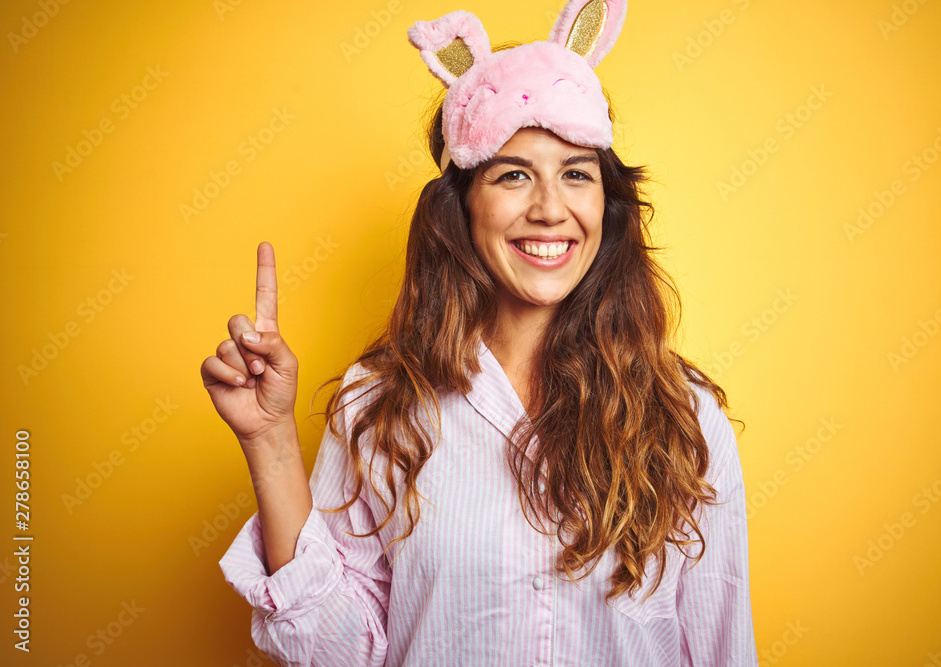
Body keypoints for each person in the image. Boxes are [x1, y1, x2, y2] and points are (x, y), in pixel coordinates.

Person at [202, 1, 757, 664]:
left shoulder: (685, 417)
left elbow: (723, 648)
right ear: (462, 206)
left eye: (575, 173)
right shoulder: (379, 405)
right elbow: (340, 650)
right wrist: (269, 442)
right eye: (513, 174)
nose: (550, 208)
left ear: (605, 206)